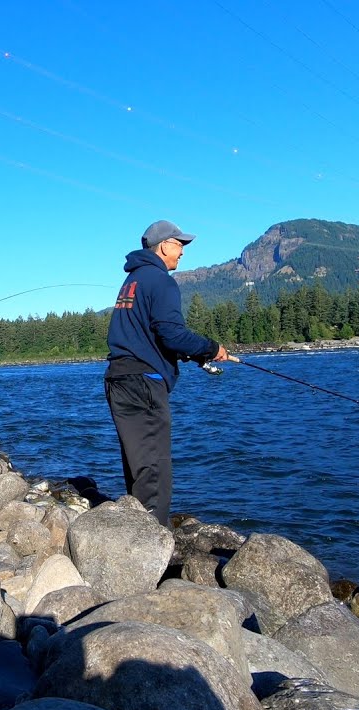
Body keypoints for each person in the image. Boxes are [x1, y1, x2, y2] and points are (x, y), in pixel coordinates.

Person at [105, 220, 236, 528]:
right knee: (154, 471)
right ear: (164, 246)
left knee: (138, 466)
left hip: (118, 380)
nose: (182, 252)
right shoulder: (161, 281)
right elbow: (171, 335)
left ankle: (134, 537)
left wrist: (192, 355)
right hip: (143, 384)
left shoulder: (133, 281)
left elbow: (147, 337)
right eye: (180, 245)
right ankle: (152, 548)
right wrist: (211, 347)